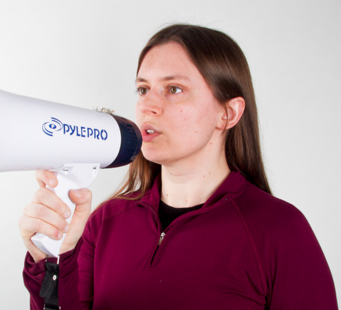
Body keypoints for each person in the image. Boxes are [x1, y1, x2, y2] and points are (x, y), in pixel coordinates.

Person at [19, 24, 338, 309]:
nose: (147, 105)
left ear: (228, 113)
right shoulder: (104, 223)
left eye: (173, 89)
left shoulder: (280, 231)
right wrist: (50, 258)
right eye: (143, 89)